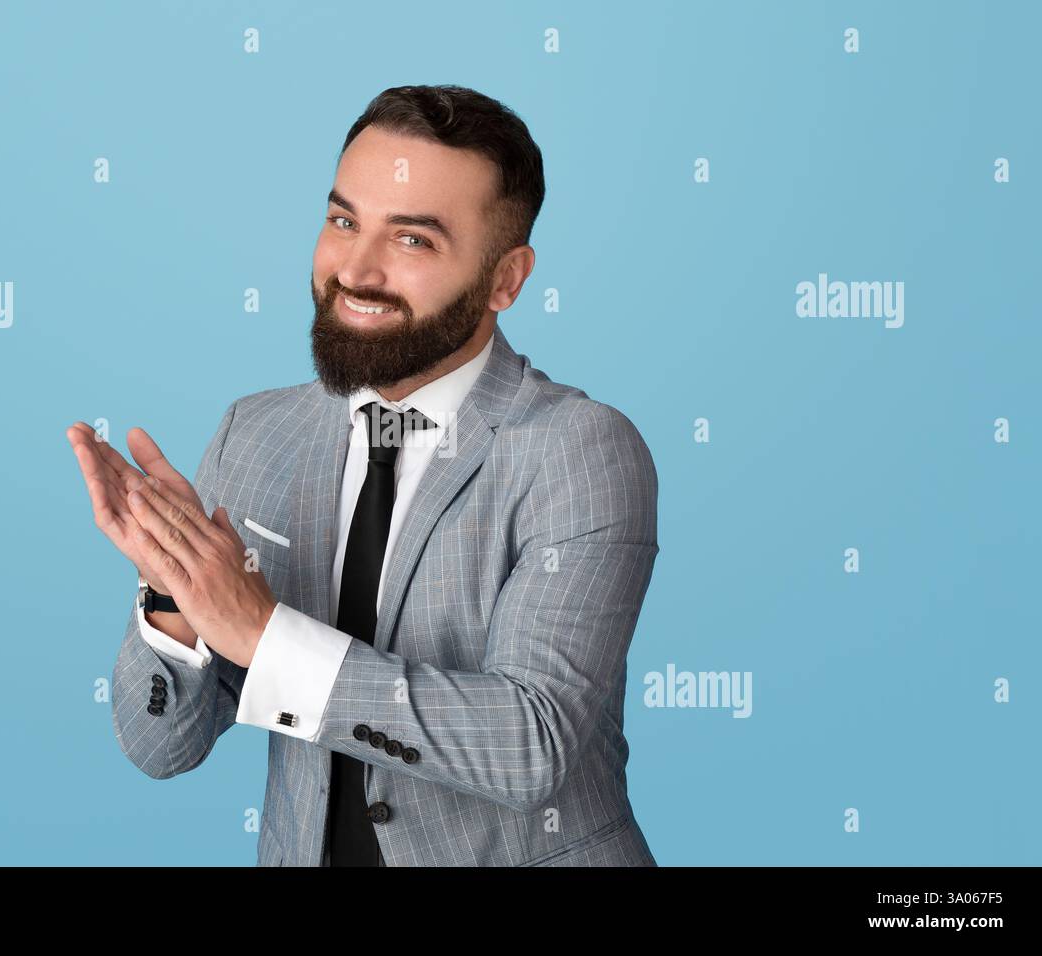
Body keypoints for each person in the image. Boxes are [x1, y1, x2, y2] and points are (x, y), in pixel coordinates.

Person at [67, 84, 660, 866]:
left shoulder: (581, 451)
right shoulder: (257, 433)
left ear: (505, 280)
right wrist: (177, 591)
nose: (357, 269)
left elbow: (530, 743)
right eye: (344, 221)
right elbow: (159, 749)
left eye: (412, 241)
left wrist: (266, 635)